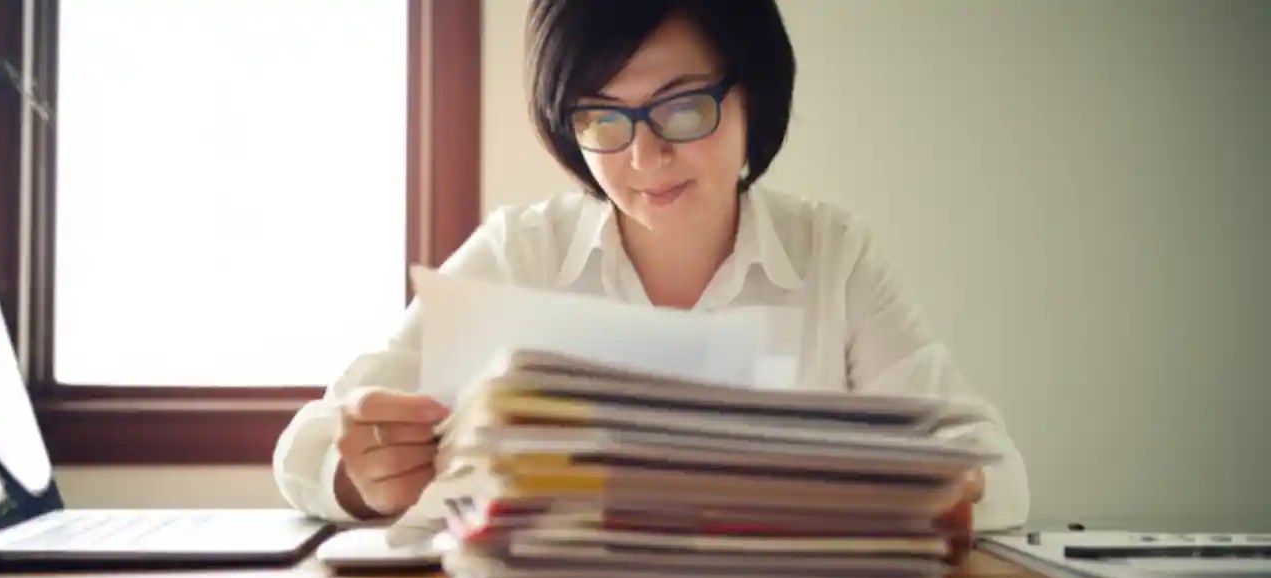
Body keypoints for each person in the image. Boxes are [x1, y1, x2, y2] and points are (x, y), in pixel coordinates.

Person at [271, 0, 1030, 542]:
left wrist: (928, 488)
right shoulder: (520, 253)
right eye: (603, 117)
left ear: (751, 97)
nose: (643, 159)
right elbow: (306, 445)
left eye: (682, 108)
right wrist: (359, 475)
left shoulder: (833, 256)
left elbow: (995, 467)